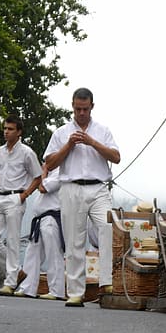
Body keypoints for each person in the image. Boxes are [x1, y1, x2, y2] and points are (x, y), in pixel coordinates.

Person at [44, 88, 120, 307]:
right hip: (71, 187)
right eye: (77, 109)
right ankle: (76, 292)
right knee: (74, 239)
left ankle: (106, 282)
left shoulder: (103, 130)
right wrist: (69, 144)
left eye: (85, 109)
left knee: (106, 228)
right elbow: (50, 164)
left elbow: (116, 157)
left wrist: (91, 142)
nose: (81, 113)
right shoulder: (61, 132)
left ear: (92, 107)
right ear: (72, 106)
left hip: (98, 187)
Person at [0, 114, 42, 295]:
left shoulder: (27, 152)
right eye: (5, 128)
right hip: (0, 197)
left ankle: (9, 283)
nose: (6, 132)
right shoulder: (0, 151)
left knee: (12, 240)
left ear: (19, 132)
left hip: (16, 198)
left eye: (10, 129)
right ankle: (16, 272)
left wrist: (24, 195)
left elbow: (38, 177)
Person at [14, 165, 66, 300]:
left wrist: (43, 171)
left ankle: (56, 291)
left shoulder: (61, 171)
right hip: (40, 218)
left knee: (53, 254)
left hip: (52, 217)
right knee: (32, 253)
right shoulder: (51, 172)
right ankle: (27, 288)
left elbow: (42, 188)